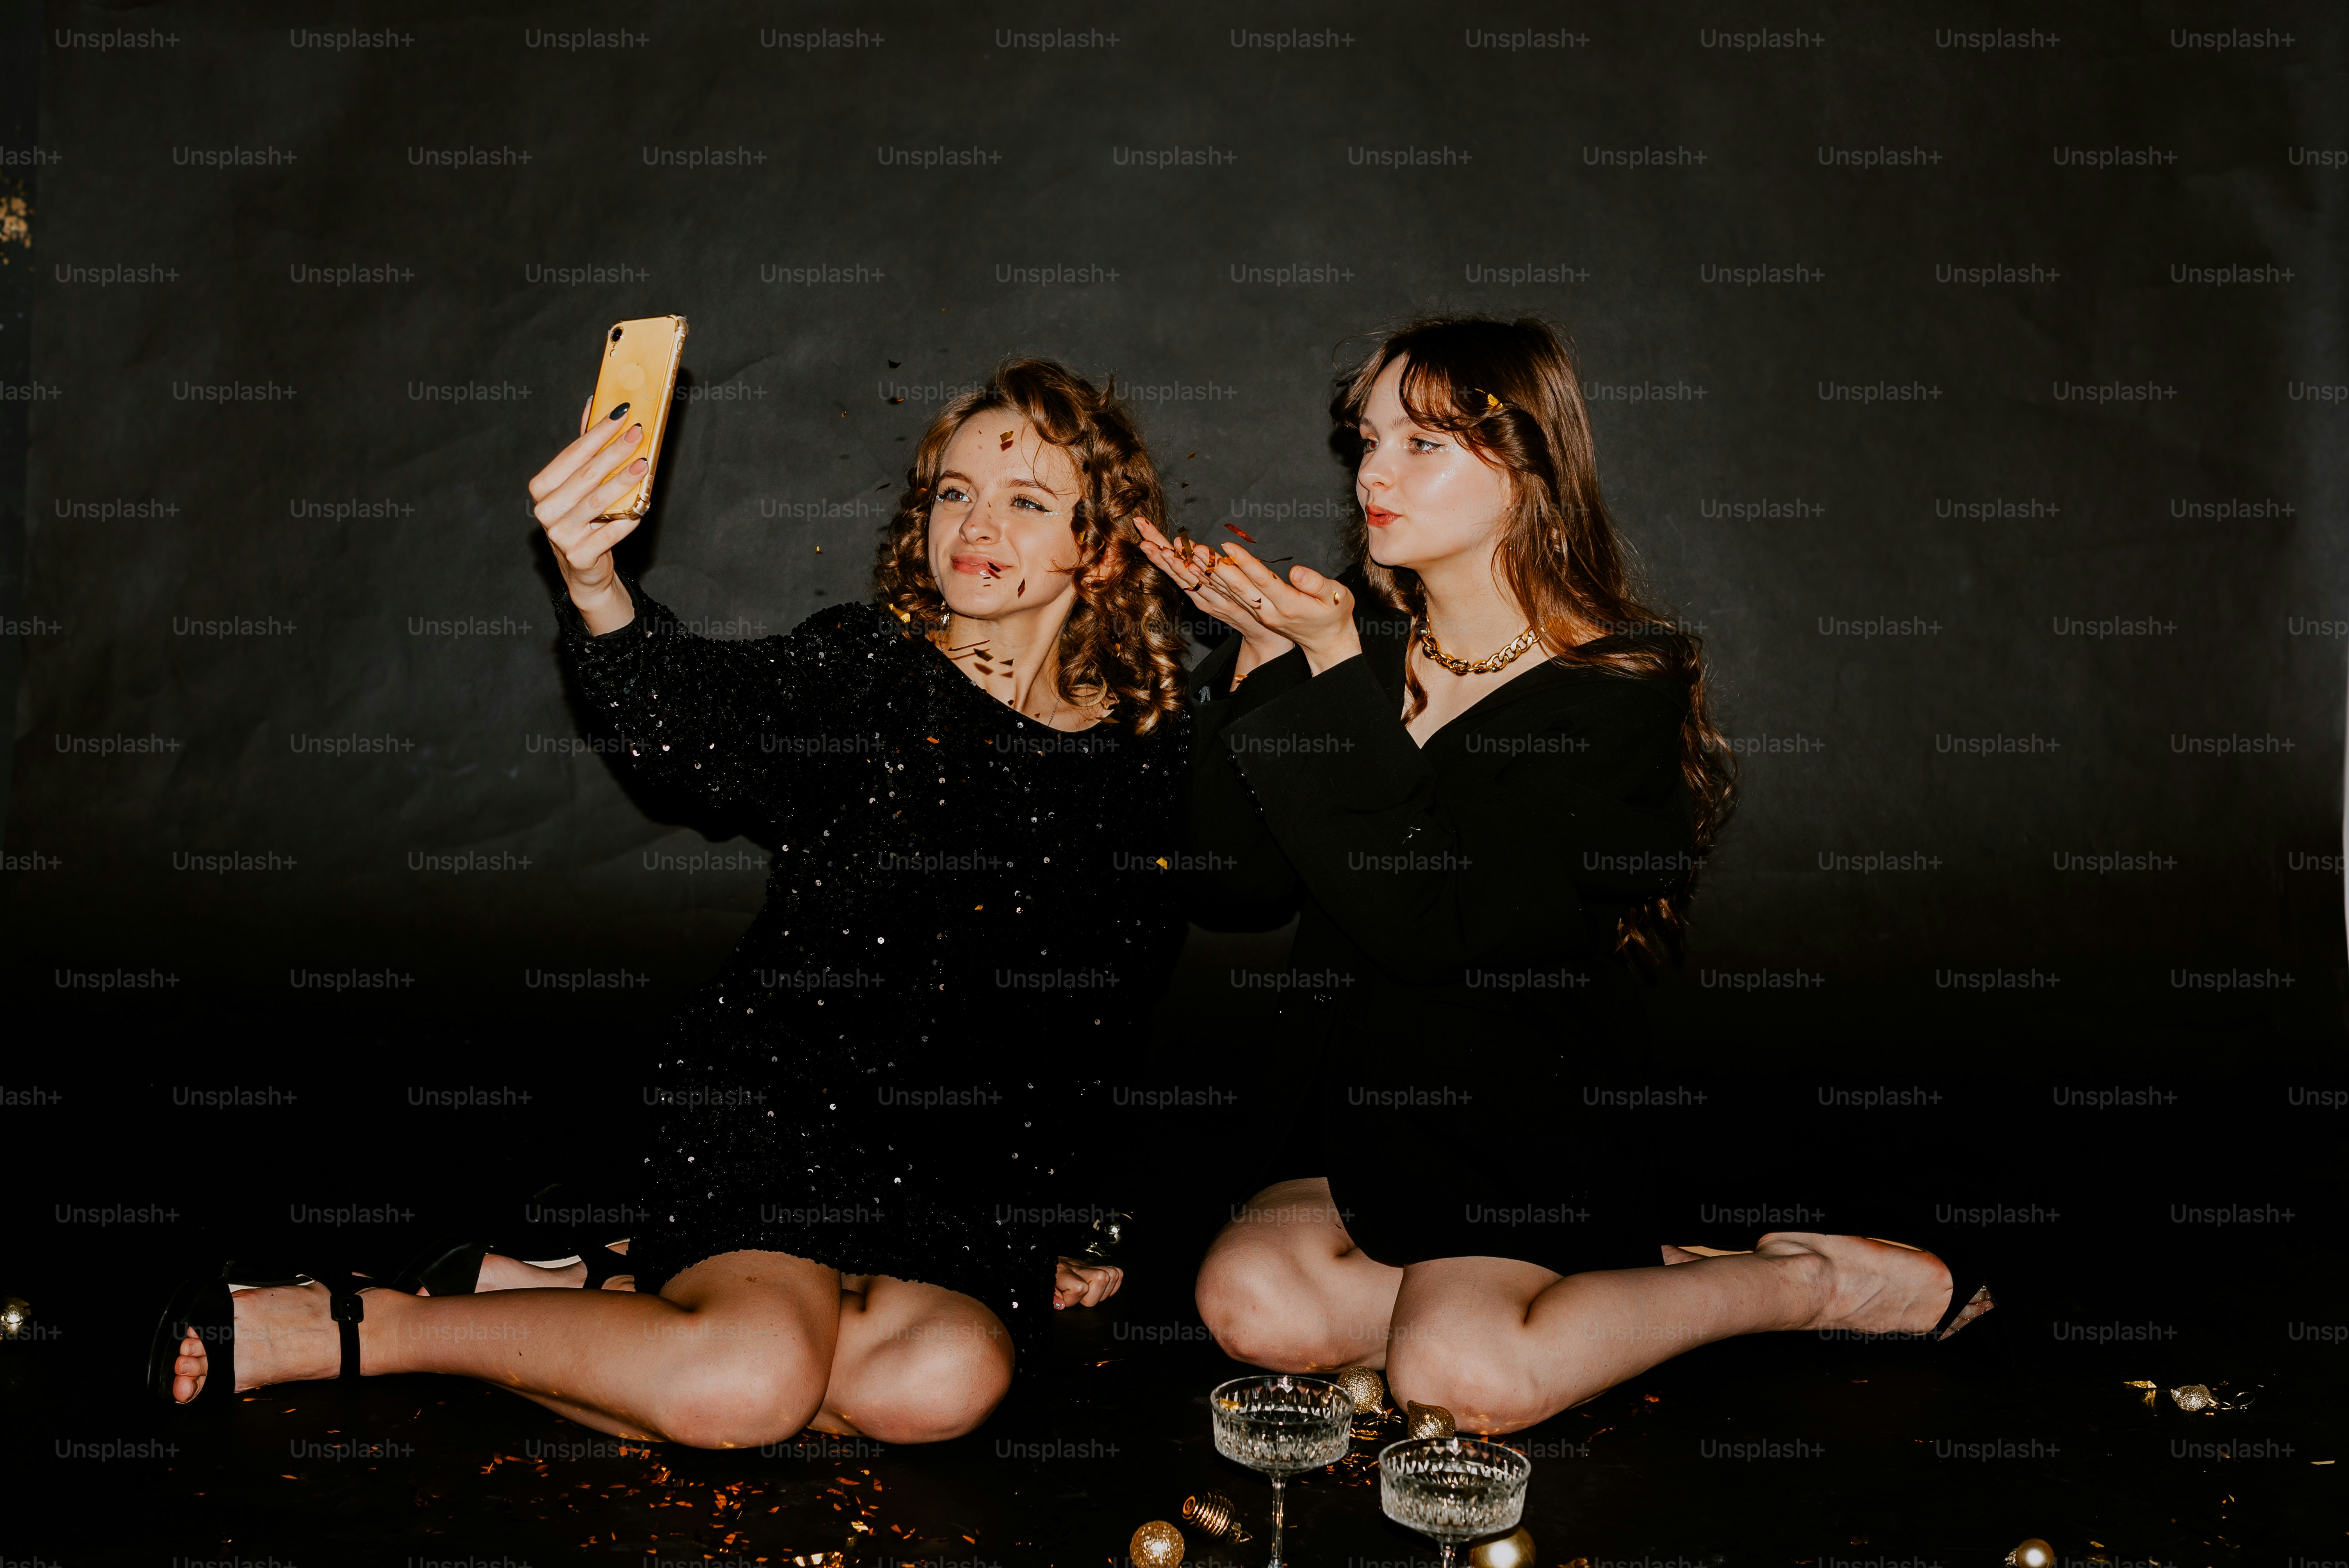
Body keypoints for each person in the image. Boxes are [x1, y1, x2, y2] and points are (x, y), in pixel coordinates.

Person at [151, 358, 1192, 1447]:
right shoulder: (866, 671)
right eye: (954, 492)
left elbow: (1099, 1009)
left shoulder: (1142, 755)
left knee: (940, 1384)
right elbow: (693, 724)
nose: (977, 523)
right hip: (778, 1116)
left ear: (1106, 544)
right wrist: (596, 581)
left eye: (1028, 501)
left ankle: (599, 1306)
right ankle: (362, 1325)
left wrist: (1062, 1216)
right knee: (745, 1386)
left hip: (956, 1187)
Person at [1136, 315, 1993, 1436]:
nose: (1374, 474)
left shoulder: (1610, 695)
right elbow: (1231, 888)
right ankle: (1613, 1288)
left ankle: (1811, 1284)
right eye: (1367, 440)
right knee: (1252, 1305)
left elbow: (1425, 920)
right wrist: (1259, 670)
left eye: (1423, 444)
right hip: (1373, 1141)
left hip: (1522, 1146)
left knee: (1458, 1384)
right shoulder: (1360, 659)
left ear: (1529, 467)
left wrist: (1332, 675)